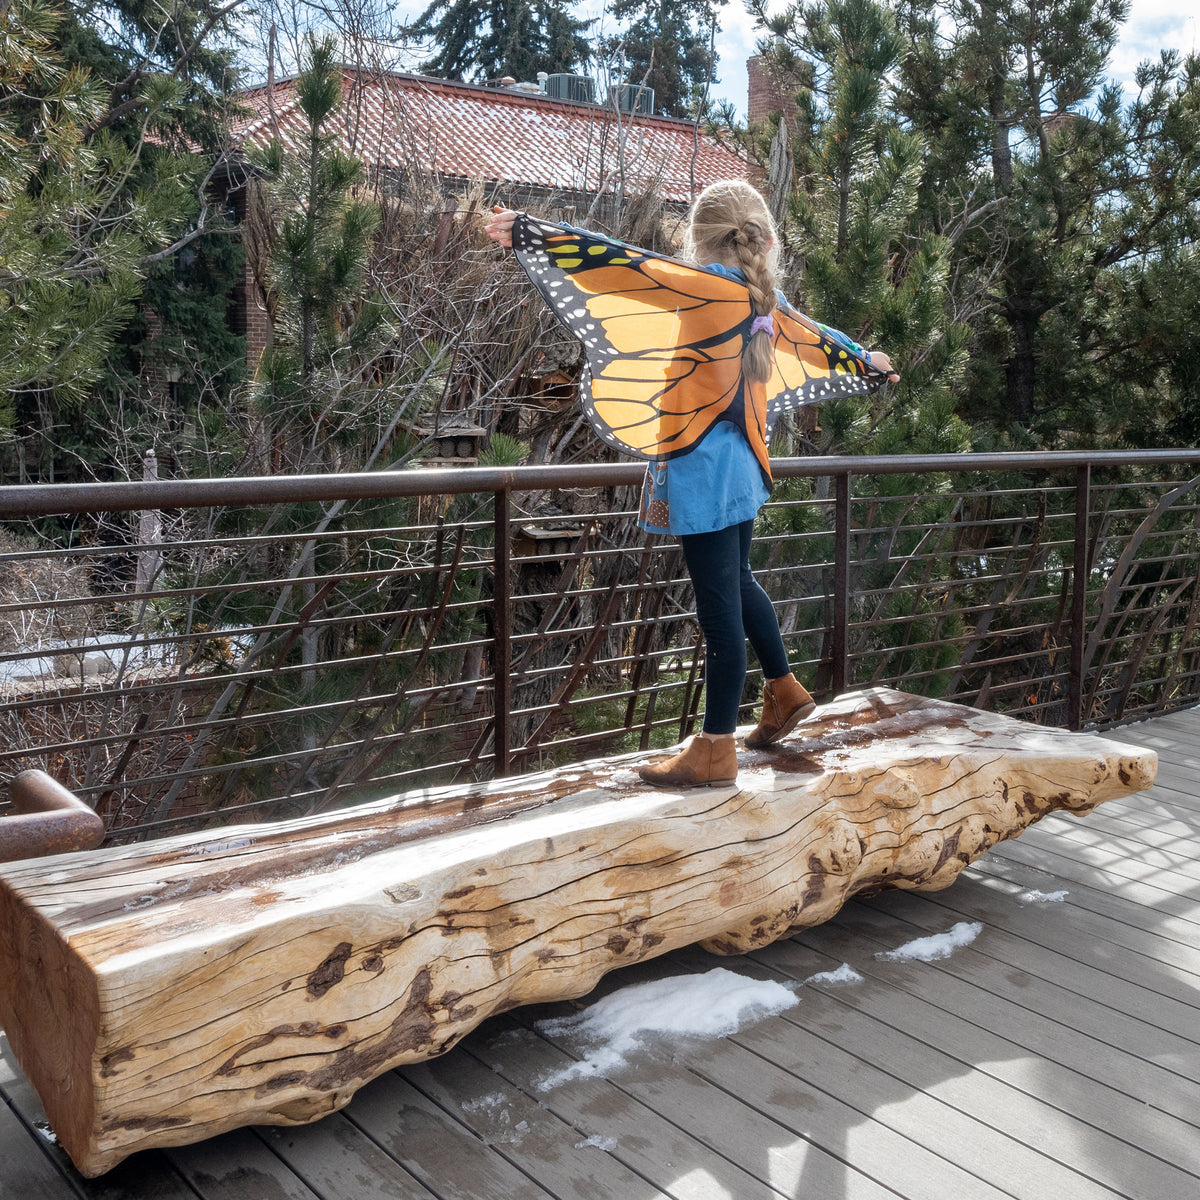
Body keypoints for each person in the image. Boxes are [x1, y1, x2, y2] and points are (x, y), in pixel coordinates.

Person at [485, 181, 897, 787]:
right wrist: (868, 361)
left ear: (701, 242)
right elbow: (819, 339)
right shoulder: (766, 303)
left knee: (717, 612)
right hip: (744, 463)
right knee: (740, 582)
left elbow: (622, 266)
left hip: (702, 469)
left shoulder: (703, 287)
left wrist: (533, 233)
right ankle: (783, 689)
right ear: (762, 240)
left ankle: (714, 748)